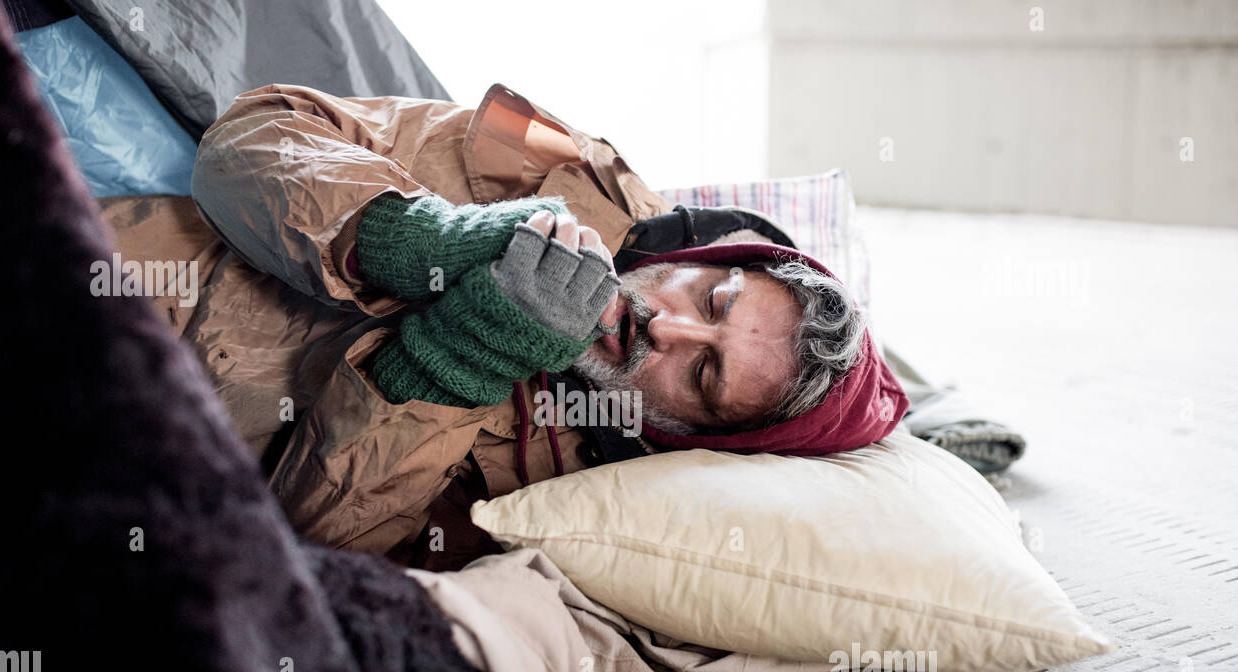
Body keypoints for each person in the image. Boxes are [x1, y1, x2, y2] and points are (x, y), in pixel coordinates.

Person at [105, 83, 911, 570]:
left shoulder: (558, 506)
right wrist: (414, 238)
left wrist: (458, 363)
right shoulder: (568, 170)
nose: (667, 328)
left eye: (703, 375)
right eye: (714, 301)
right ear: (709, 254)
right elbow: (249, 137)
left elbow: (314, 550)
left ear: (693, 438)